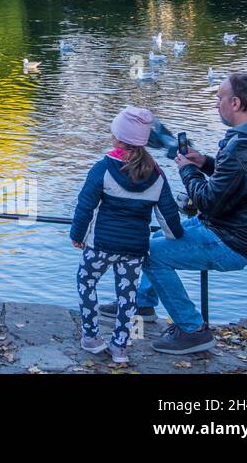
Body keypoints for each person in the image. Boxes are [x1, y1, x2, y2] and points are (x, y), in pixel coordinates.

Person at [99, 72, 247, 355]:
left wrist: (186, 169)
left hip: (239, 240)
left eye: (220, 97)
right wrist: (205, 162)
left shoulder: (241, 147)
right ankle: (142, 302)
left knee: (151, 252)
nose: (216, 104)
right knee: (161, 233)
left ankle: (192, 330)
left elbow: (207, 202)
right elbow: (244, 181)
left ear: (235, 103)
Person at [70, 106, 184, 364]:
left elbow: (85, 204)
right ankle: (120, 345)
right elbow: (167, 214)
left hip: (101, 245)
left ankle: (91, 336)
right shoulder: (156, 175)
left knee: (86, 282)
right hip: (134, 250)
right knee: (128, 296)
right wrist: (175, 235)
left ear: (117, 138)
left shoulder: (104, 168)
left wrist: (77, 234)